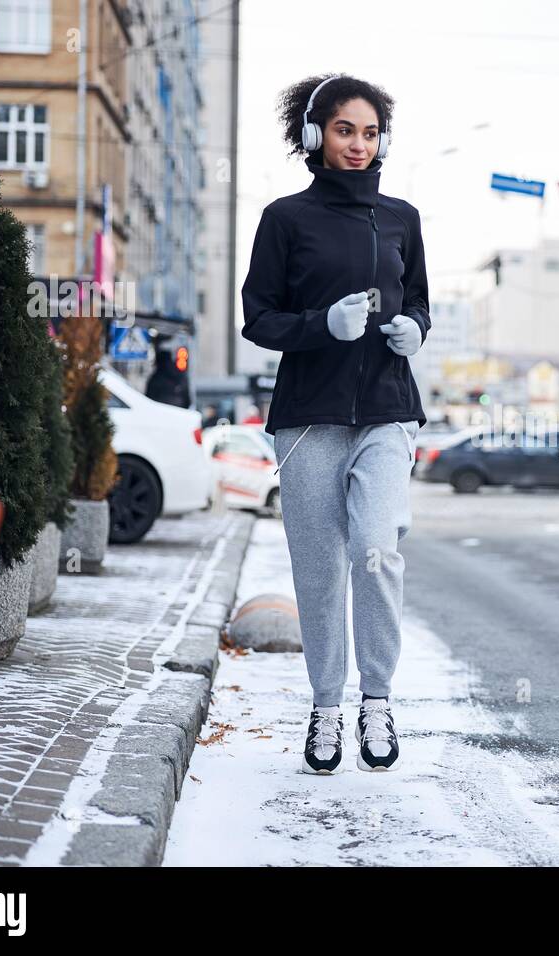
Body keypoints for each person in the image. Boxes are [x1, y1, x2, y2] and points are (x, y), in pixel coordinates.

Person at [240, 73, 429, 774]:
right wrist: (323, 324)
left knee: (377, 551)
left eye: (371, 132)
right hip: (309, 419)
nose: (359, 144)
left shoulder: (402, 216)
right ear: (316, 136)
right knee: (319, 572)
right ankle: (326, 706)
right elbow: (258, 318)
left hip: (387, 408)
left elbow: (420, 300)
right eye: (345, 130)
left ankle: (376, 697)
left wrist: (414, 327)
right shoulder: (285, 219)